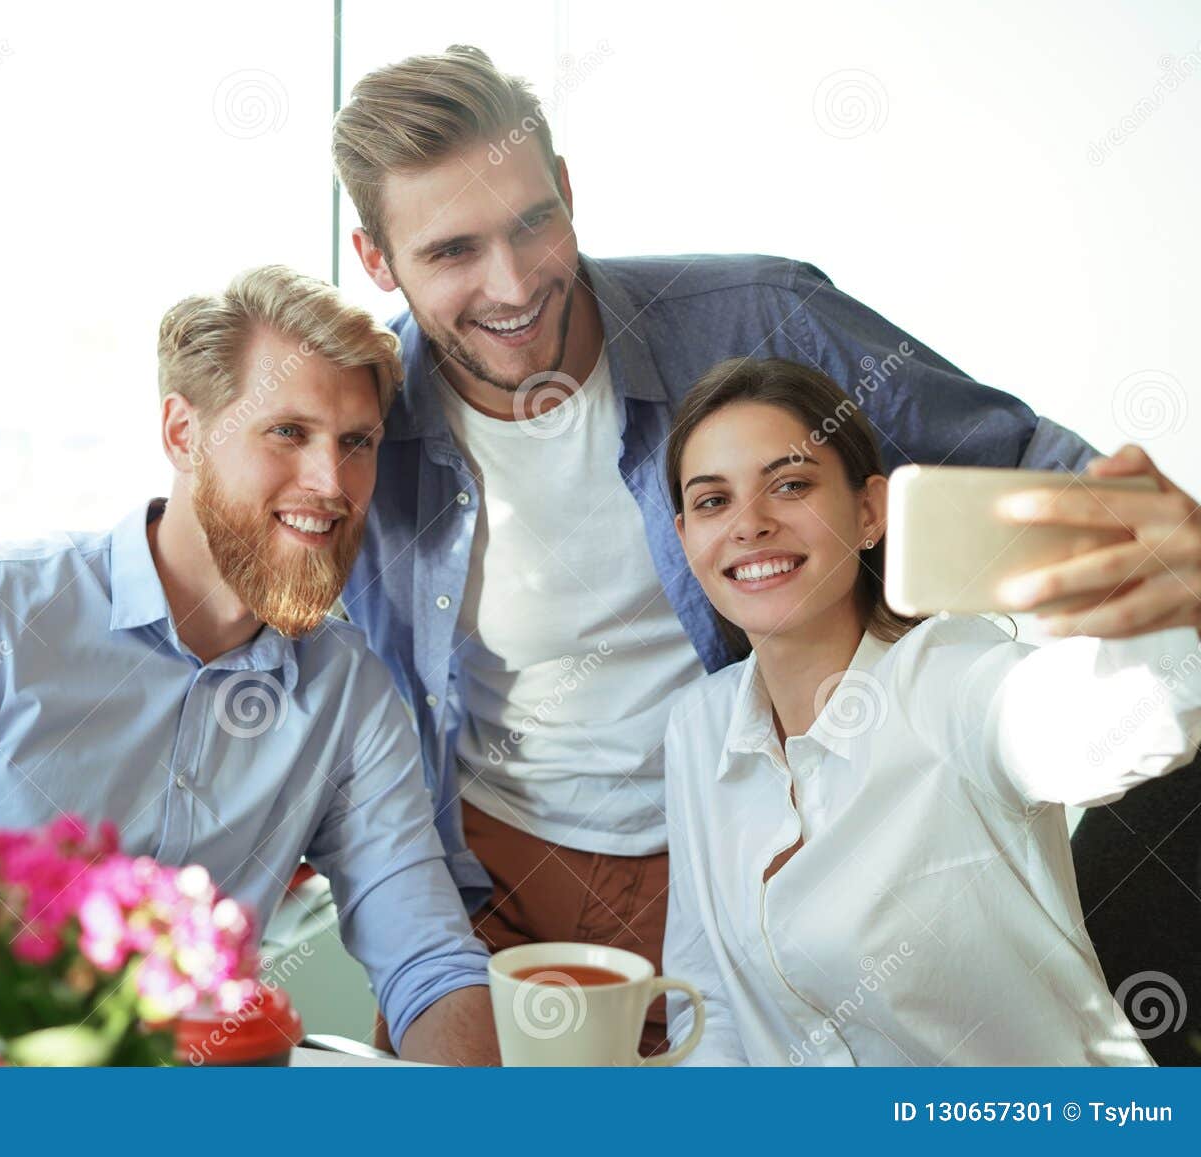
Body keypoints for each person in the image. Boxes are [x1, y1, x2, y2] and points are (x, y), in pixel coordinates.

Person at [328, 44, 1172, 1051]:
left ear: (565, 188)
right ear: (377, 259)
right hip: (492, 872)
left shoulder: (759, 317)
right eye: (451, 251)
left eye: (531, 223)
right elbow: (251, 579)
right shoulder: (362, 420)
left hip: (720, 846)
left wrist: (1151, 565)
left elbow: (1034, 472)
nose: (512, 284)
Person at [0, 266, 499, 1065]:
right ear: (181, 433)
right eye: (287, 432)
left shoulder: (350, 697)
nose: (330, 483)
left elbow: (427, 961)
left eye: (357, 442)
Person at [657, 356, 1201, 1064]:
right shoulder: (697, 729)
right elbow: (708, 1003)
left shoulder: (954, 679)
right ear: (684, 539)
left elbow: (1114, 724)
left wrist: (1177, 600)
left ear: (869, 511)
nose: (749, 523)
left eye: (790, 485)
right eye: (712, 501)